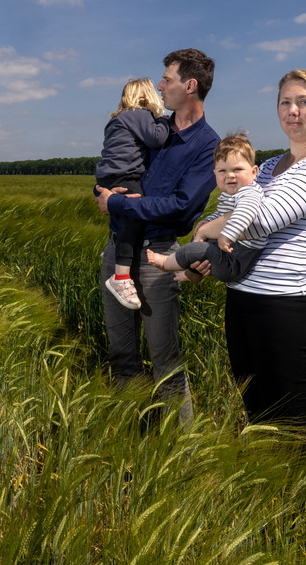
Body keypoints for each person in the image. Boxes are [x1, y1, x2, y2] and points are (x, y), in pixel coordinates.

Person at [215, 69, 306, 428]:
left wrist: (203, 229)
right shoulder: (271, 165)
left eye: (304, 102)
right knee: (257, 414)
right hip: (242, 298)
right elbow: (233, 210)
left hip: (287, 307)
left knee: (289, 422)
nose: (293, 110)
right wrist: (221, 227)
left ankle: (302, 485)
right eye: (285, 102)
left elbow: (257, 221)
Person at [94, 49, 219, 427]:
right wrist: (106, 195)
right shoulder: (150, 126)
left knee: (165, 361)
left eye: (167, 79)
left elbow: (180, 209)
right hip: (117, 253)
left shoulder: (207, 145)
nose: (160, 85)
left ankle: (182, 456)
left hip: (157, 260)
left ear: (190, 86)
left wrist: (119, 205)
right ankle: (131, 433)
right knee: (122, 355)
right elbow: (112, 171)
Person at [145, 133, 266, 285]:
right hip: (230, 252)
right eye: (222, 171)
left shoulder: (249, 192)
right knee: (199, 236)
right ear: (215, 173)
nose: (230, 175)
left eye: (237, 169)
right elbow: (222, 214)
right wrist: (209, 221)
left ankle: (166, 262)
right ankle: (192, 273)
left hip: (236, 261)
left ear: (254, 172)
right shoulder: (232, 194)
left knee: (196, 249)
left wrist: (227, 235)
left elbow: (245, 213)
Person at [96, 78, 172, 310]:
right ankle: (120, 277)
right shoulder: (140, 115)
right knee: (134, 216)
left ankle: (113, 251)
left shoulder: (116, 120)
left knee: (123, 213)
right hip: (125, 176)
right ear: (146, 96)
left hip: (107, 178)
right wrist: (165, 121)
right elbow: (157, 138)